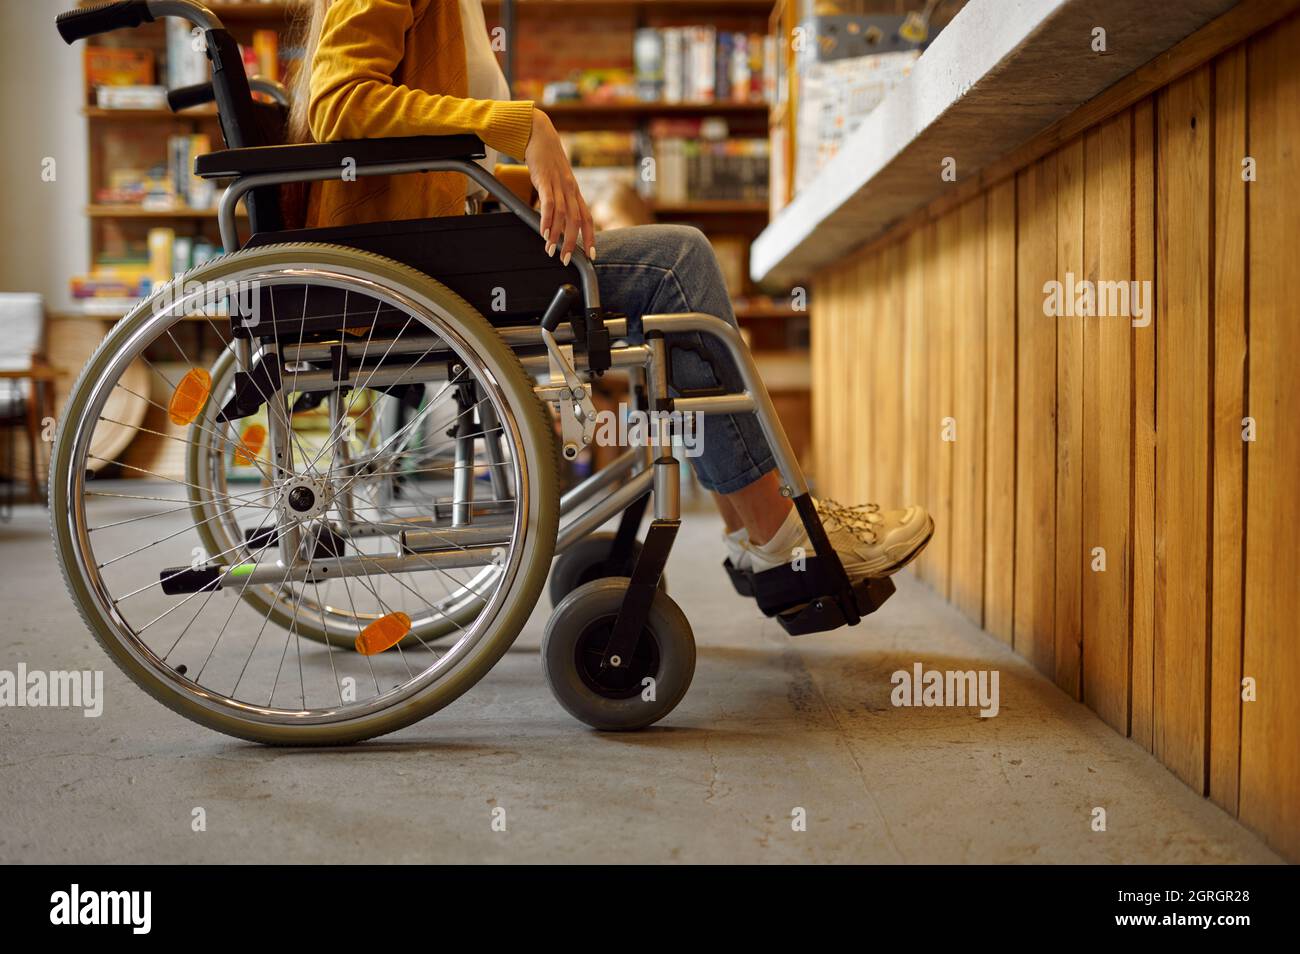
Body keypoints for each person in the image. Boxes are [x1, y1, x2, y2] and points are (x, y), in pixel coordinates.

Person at [290, 0, 933, 583]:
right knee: (676, 262)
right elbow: (338, 102)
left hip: (434, 242)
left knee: (669, 263)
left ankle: (755, 528)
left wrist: (536, 182)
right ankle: (771, 527)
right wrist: (526, 126)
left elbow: (440, 164)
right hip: (409, 259)